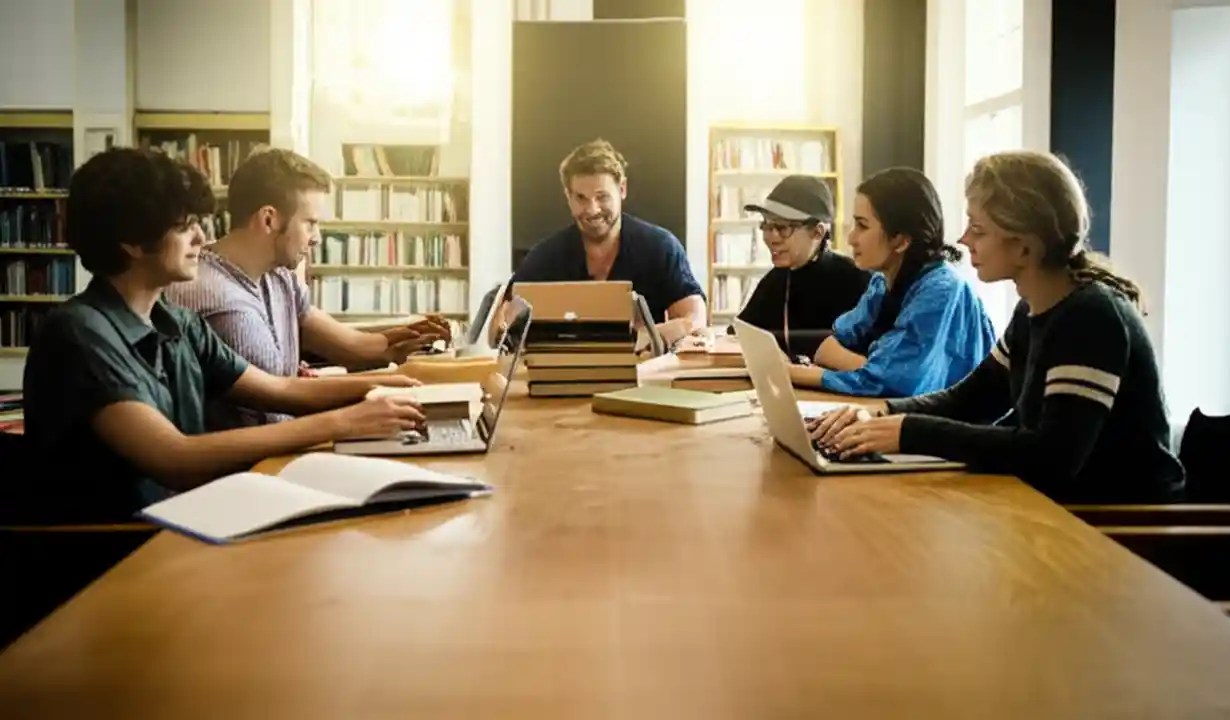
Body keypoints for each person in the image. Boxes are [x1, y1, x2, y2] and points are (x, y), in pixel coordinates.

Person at [22, 148, 427, 521]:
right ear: (131, 242)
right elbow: (175, 457)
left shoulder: (178, 322)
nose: (201, 239)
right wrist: (343, 423)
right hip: (113, 552)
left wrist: (404, 385)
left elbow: (280, 391)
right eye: (184, 228)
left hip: (186, 523)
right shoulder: (79, 334)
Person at [808, 150, 1186, 503]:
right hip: (1058, 507)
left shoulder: (1091, 318)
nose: (963, 240)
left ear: (1024, 248)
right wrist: (884, 415)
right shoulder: (1034, 308)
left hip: (1117, 526)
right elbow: (973, 400)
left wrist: (910, 431)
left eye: (978, 229)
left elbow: (1052, 457)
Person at [165, 148, 451, 428]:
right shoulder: (221, 302)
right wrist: (398, 381)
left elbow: (352, 345)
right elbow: (283, 396)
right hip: (258, 463)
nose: (316, 238)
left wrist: (405, 336)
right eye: (310, 223)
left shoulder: (277, 276)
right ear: (268, 219)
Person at [789, 167, 995, 397]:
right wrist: (868, 367)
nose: (851, 238)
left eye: (863, 226)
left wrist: (790, 373)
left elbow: (893, 383)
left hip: (950, 426)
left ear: (901, 240)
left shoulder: (941, 291)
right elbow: (834, 344)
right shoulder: (882, 280)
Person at [498, 139, 706, 345]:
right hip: (564, 375)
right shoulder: (544, 256)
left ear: (622, 189)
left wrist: (649, 336)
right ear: (567, 197)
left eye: (602, 196)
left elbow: (695, 321)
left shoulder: (661, 247)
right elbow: (500, 328)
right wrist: (503, 325)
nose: (592, 209)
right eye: (581, 198)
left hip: (643, 374)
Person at [734, 174, 871, 361]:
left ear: (818, 232)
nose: (771, 238)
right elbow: (737, 336)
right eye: (766, 225)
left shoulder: (858, 281)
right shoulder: (775, 280)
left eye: (782, 228)